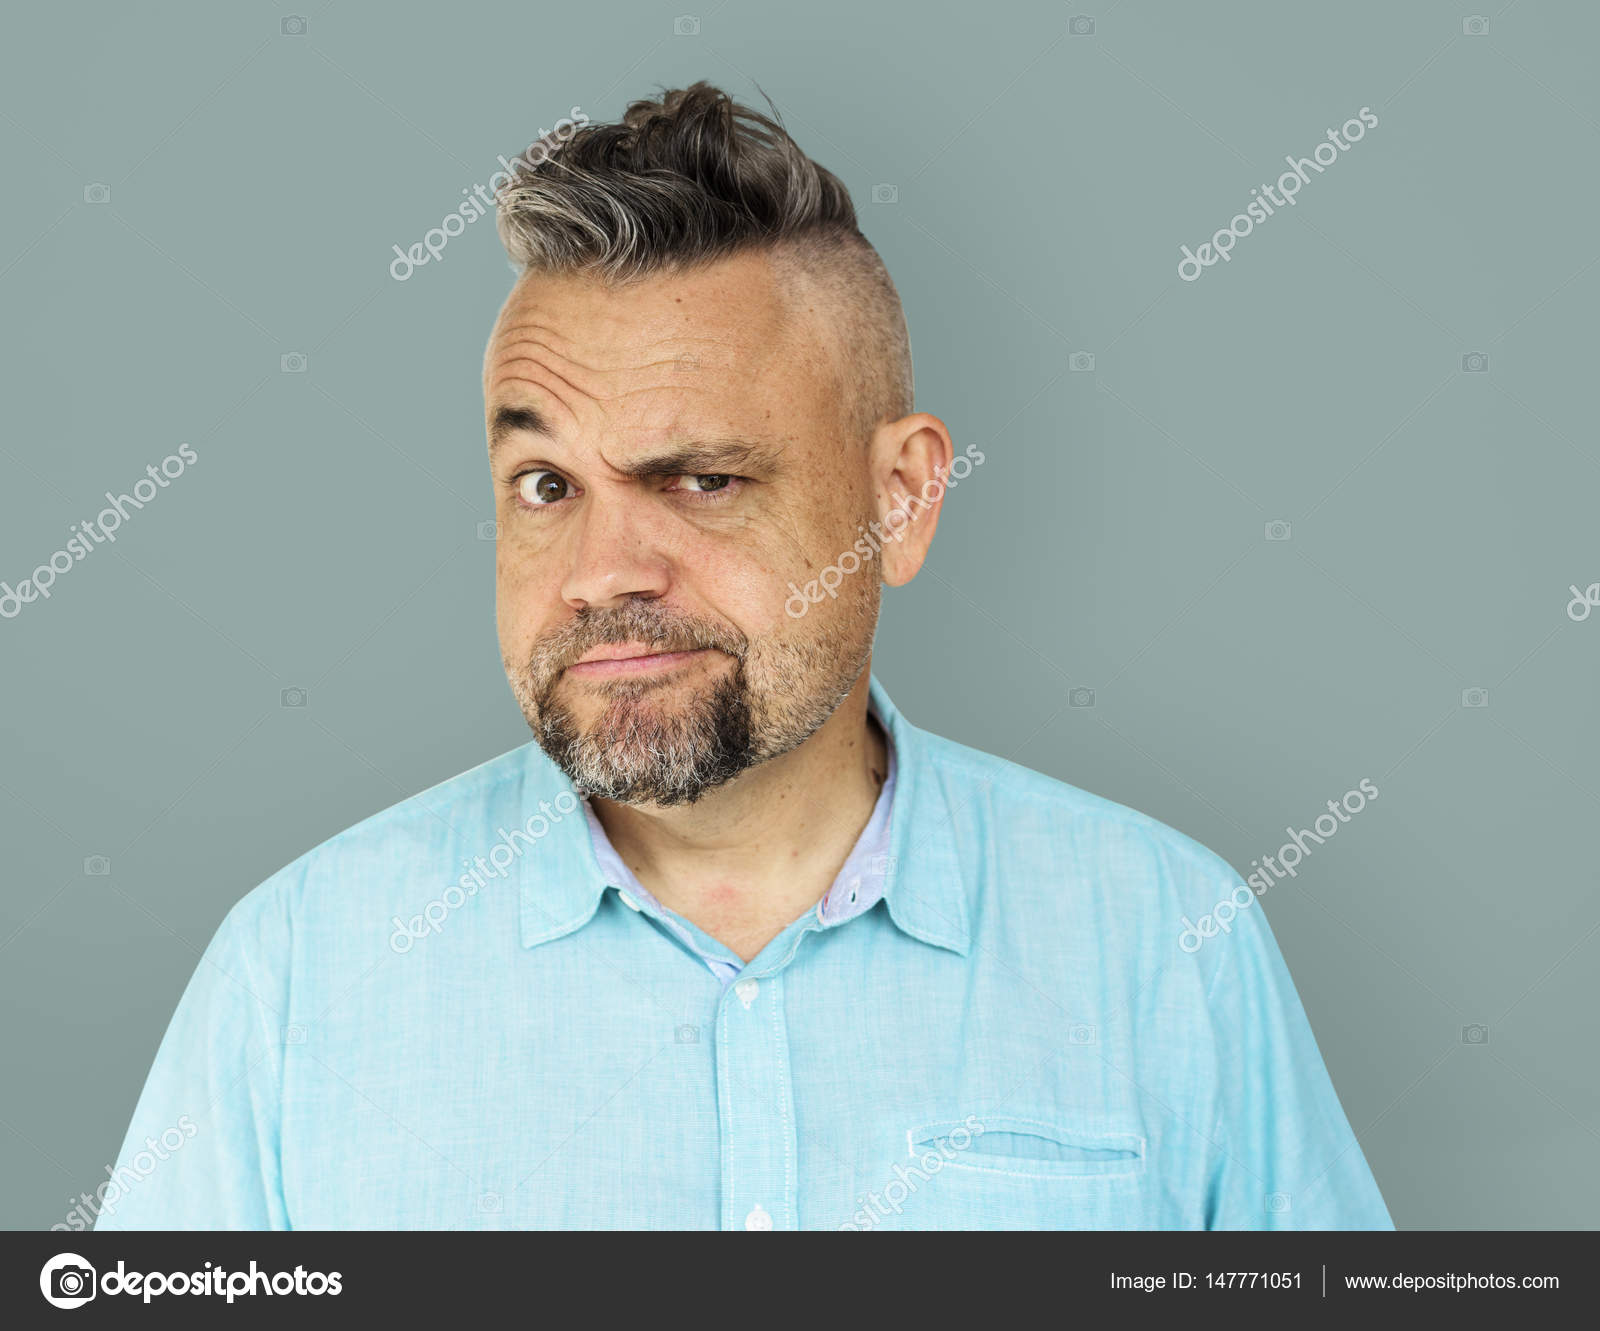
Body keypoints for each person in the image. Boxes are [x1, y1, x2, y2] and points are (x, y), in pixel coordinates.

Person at [96, 83, 1390, 1231]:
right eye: (546, 482)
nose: (604, 571)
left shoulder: (1167, 939)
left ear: (903, 499)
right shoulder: (295, 976)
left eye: (705, 478)